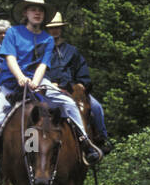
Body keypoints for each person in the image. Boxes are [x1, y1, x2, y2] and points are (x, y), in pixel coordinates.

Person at [0, 0, 103, 185]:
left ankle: (85, 144)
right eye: (33, 9)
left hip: (38, 82)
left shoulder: (47, 39)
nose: (37, 13)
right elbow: (10, 58)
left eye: (41, 10)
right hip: (12, 84)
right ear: (25, 13)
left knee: (69, 103)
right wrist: (20, 77)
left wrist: (35, 81)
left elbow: (43, 64)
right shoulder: (13, 33)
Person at [43, 12, 111, 152]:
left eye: (57, 27)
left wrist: (82, 83)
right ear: (47, 30)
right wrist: (50, 83)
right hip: (51, 90)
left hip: (73, 89)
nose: (55, 30)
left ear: (61, 29)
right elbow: (40, 71)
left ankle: (101, 139)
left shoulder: (72, 51)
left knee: (96, 107)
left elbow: (82, 68)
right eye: (51, 28)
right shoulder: (42, 50)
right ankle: (34, 148)